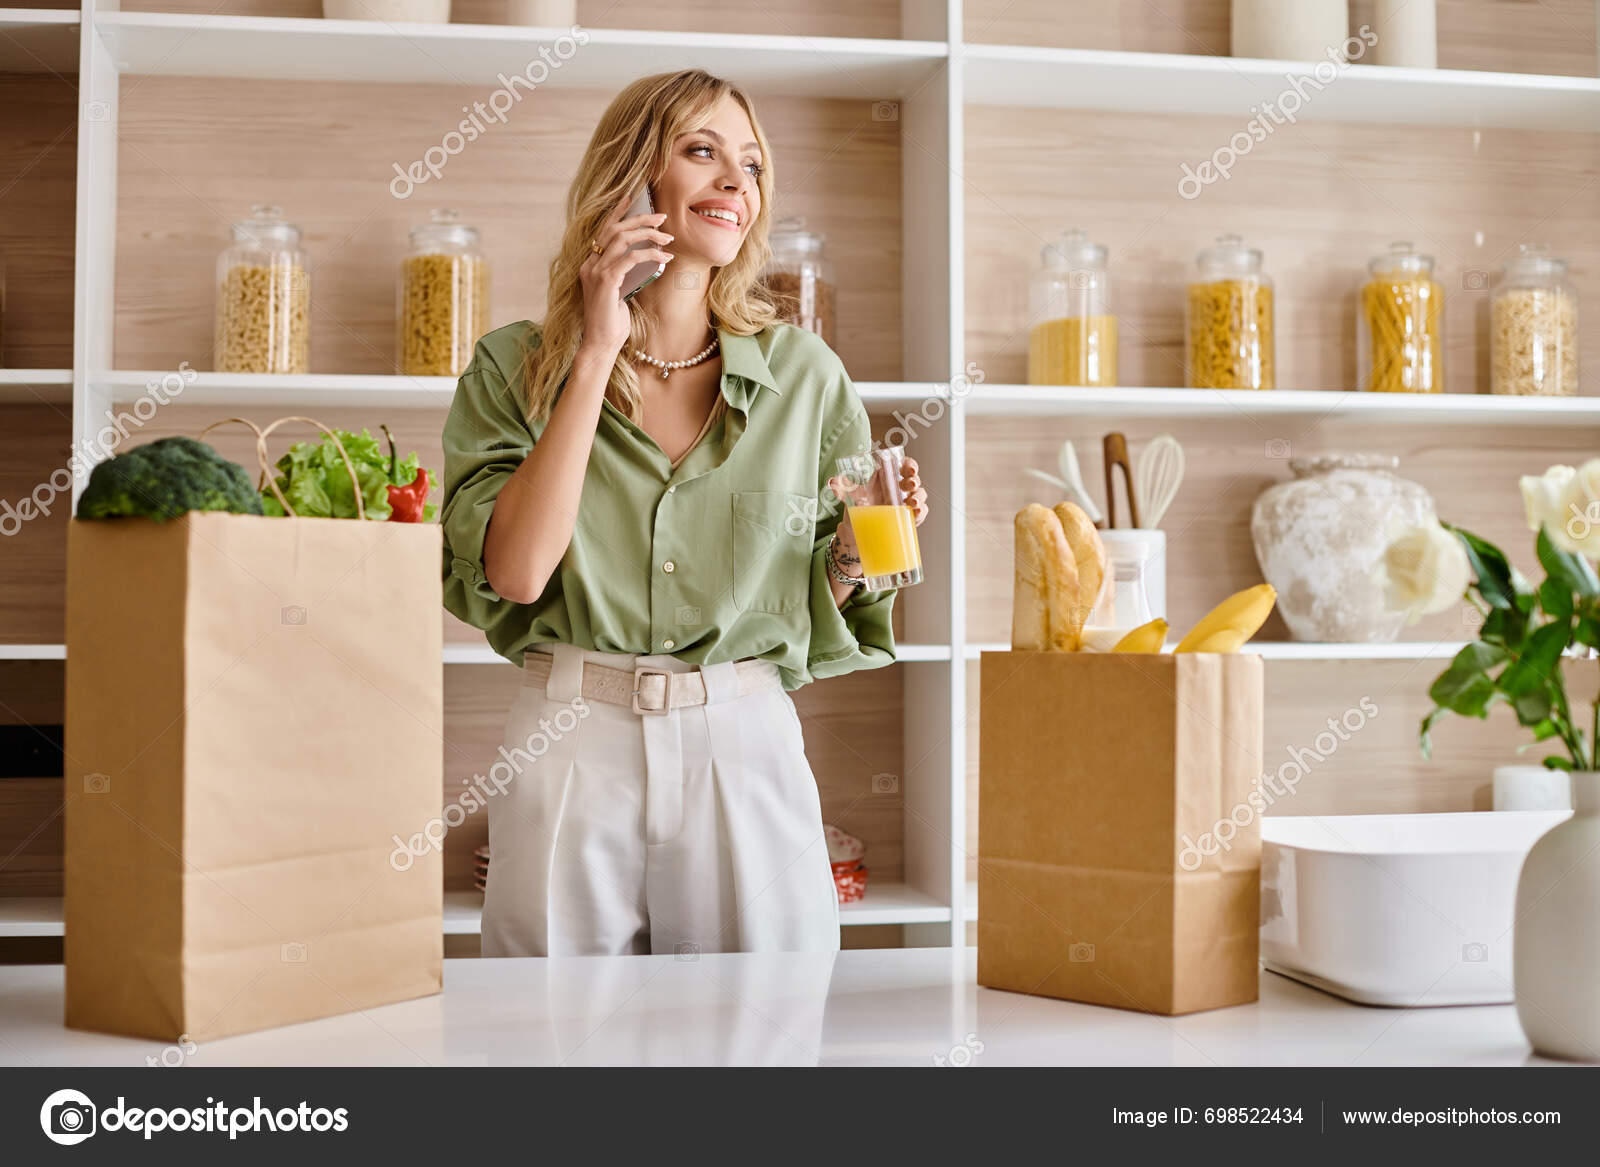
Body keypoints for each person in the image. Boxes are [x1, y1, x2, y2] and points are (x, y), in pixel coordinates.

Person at [439, 68, 930, 958]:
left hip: (744, 741)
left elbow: (837, 586)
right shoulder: (514, 367)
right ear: (630, 180)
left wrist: (857, 553)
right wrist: (595, 351)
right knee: (546, 1043)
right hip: (571, 738)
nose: (735, 183)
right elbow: (515, 572)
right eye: (702, 152)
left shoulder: (805, 375)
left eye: (750, 164)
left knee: (762, 1036)